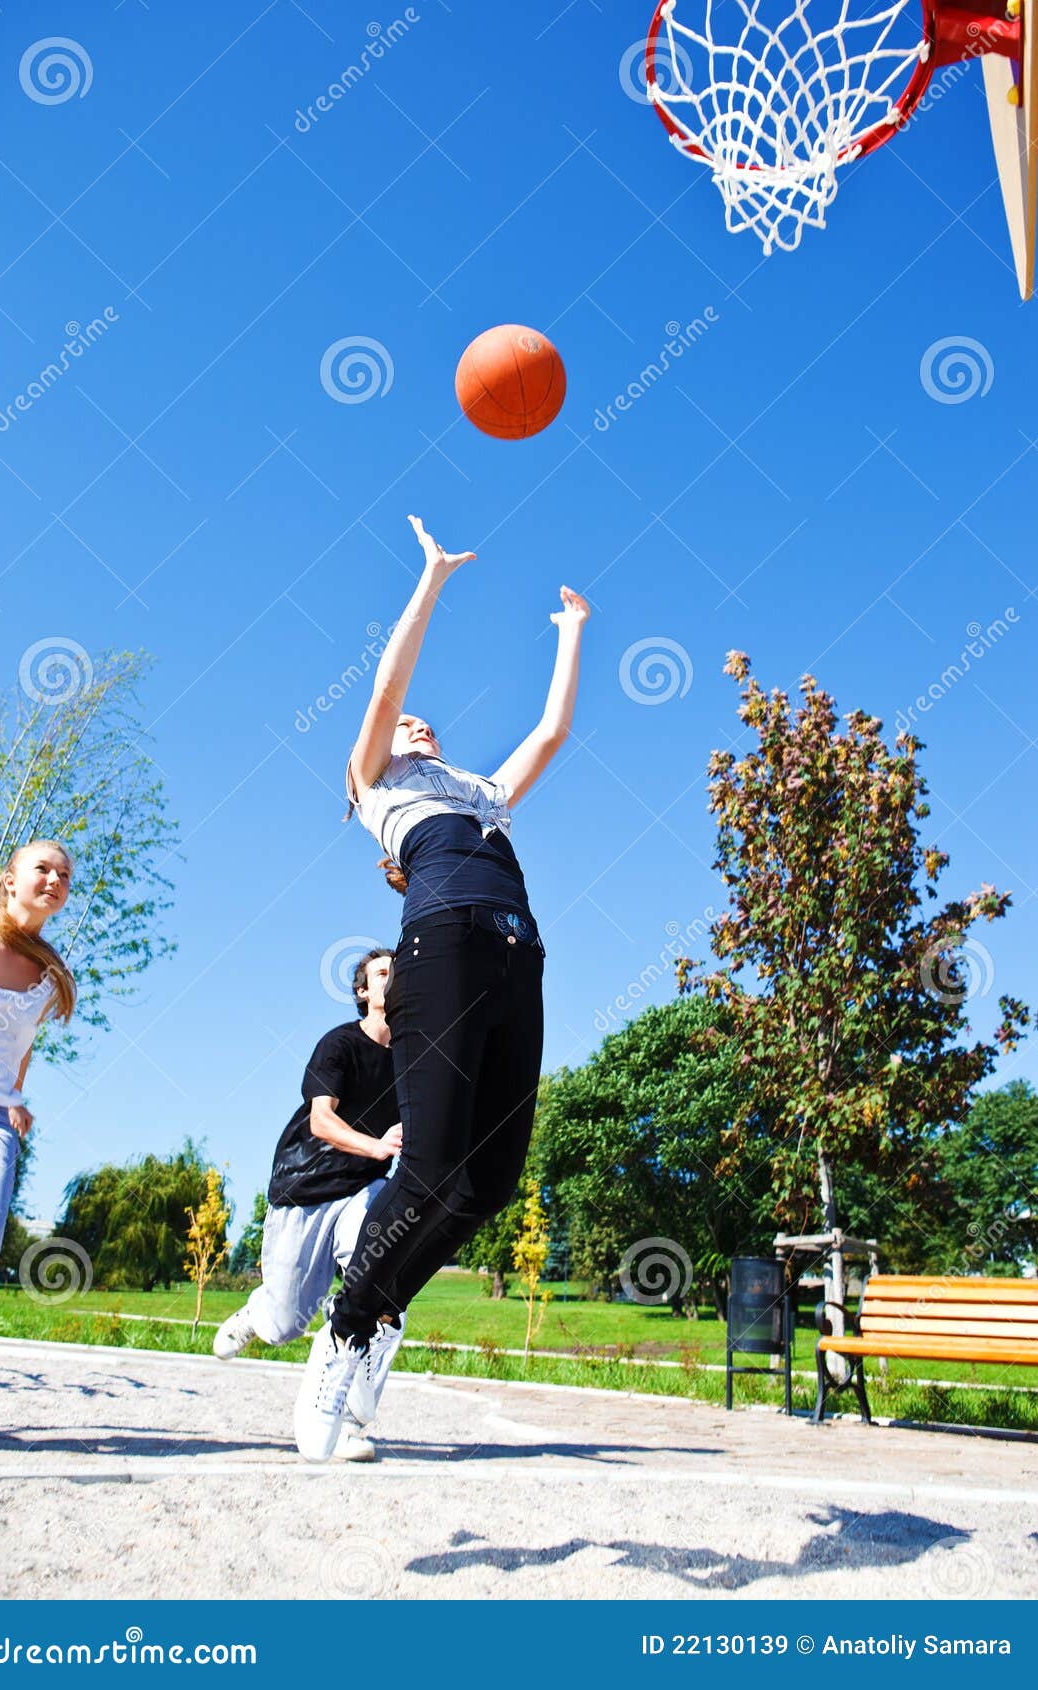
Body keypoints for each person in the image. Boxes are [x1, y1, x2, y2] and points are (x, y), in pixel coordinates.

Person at [293, 513, 590, 1461]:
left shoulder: (478, 793)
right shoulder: (377, 782)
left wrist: (572, 633)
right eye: (406, 722)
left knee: (488, 1181)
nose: (418, 720)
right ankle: (339, 1338)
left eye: (427, 721)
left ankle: (376, 1320)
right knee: (427, 1169)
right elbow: (387, 684)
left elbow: (549, 733)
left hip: (519, 955)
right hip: (444, 947)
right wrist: (430, 578)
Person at [214, 948, 405, 1461]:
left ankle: (347, 1423)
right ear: (364, 991)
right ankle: (259, 1312)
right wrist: (378, 1146)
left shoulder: (416, 1057)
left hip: (362, 1192)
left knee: (380, 1280)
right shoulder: (339, 1044)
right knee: (284, 1325)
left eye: (401, 971)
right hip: (308, 1186)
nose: (396, 979)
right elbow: (321, 1121)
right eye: (384, 973)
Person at [0, 841, 76, 1316]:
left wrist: (15, 1095)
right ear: (11, 879)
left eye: (64, 876)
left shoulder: (50, 976)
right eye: (44, 869)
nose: (55, 880)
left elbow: (23, 1043)